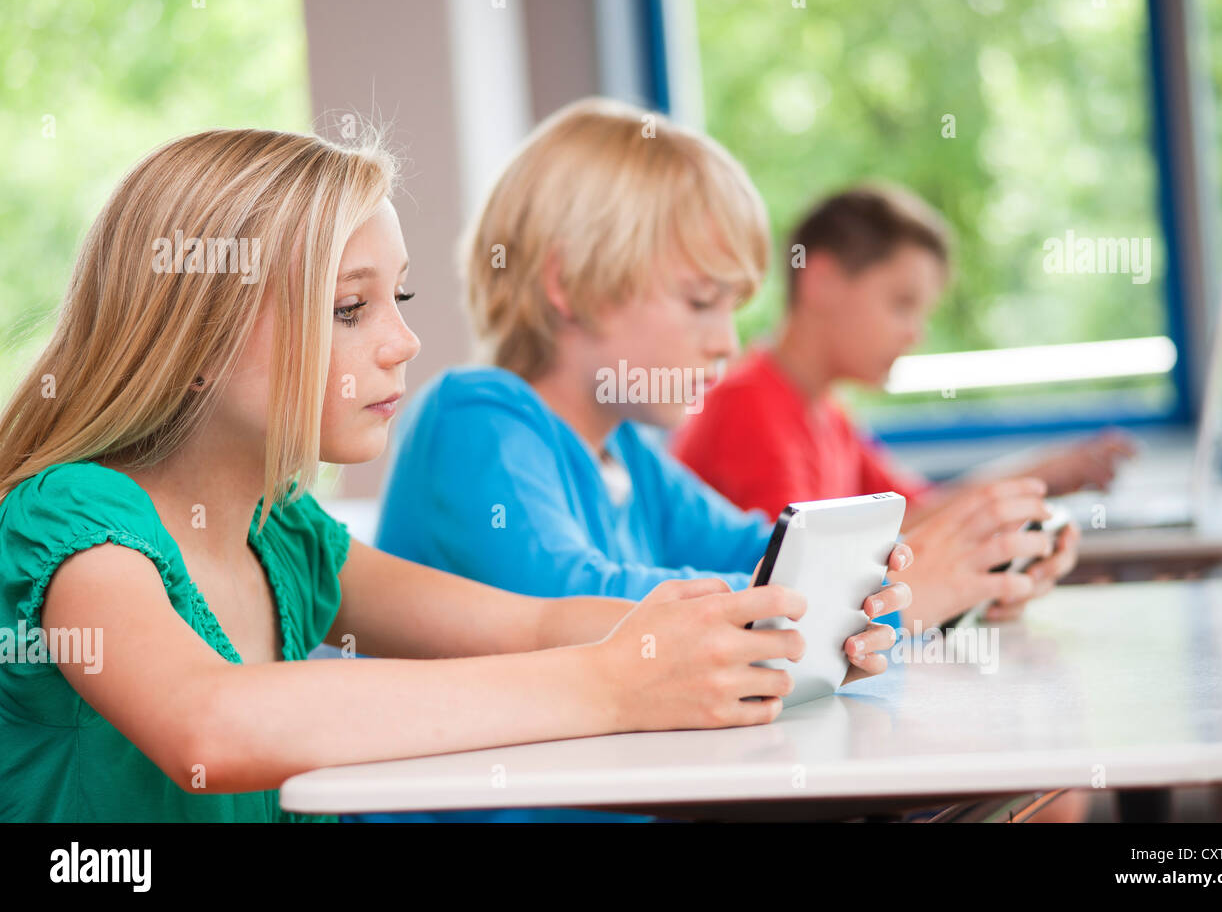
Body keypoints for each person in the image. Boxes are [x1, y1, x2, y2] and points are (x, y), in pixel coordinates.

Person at [0, 126, 905, 822]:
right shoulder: (75, 520)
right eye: (349, 308)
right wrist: (609, 683)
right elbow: (211, 724)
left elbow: (530, 623)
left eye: (397, 300)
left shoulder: (283, 530)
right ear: (193, 337)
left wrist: (769, 627)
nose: (403, 342)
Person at [369, 99, 1070, 823]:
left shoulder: (632, 456)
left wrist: (953, 581)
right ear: (569, 284)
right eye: (703, 301)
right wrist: (884, 594)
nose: (728, 343)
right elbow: (578, 599)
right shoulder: (477, 416)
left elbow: (769, 550)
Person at [672, 183, 1135, 543]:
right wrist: (1035, 478)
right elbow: (802, 567)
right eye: (902, 304)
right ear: (823, 281)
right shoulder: (749, 408)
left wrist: (1038, 476)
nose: (915, 333)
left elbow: (916, 511)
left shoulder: (826, 413)